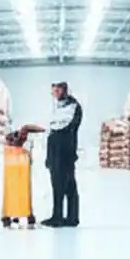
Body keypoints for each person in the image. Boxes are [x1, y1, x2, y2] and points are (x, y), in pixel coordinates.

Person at [42, 82, 82, 228]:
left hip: (64, 149)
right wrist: (48, 156)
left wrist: (67, 151)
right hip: (55, 149)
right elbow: (51, 129)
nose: (55, 94)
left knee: (65, 183)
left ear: (65, 91)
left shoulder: (73, 106)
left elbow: (68, 128)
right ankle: (62, 216)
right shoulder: (58, 106)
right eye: (53, 91)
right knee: (59, 183)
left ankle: (65, 217)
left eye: (57, 91)